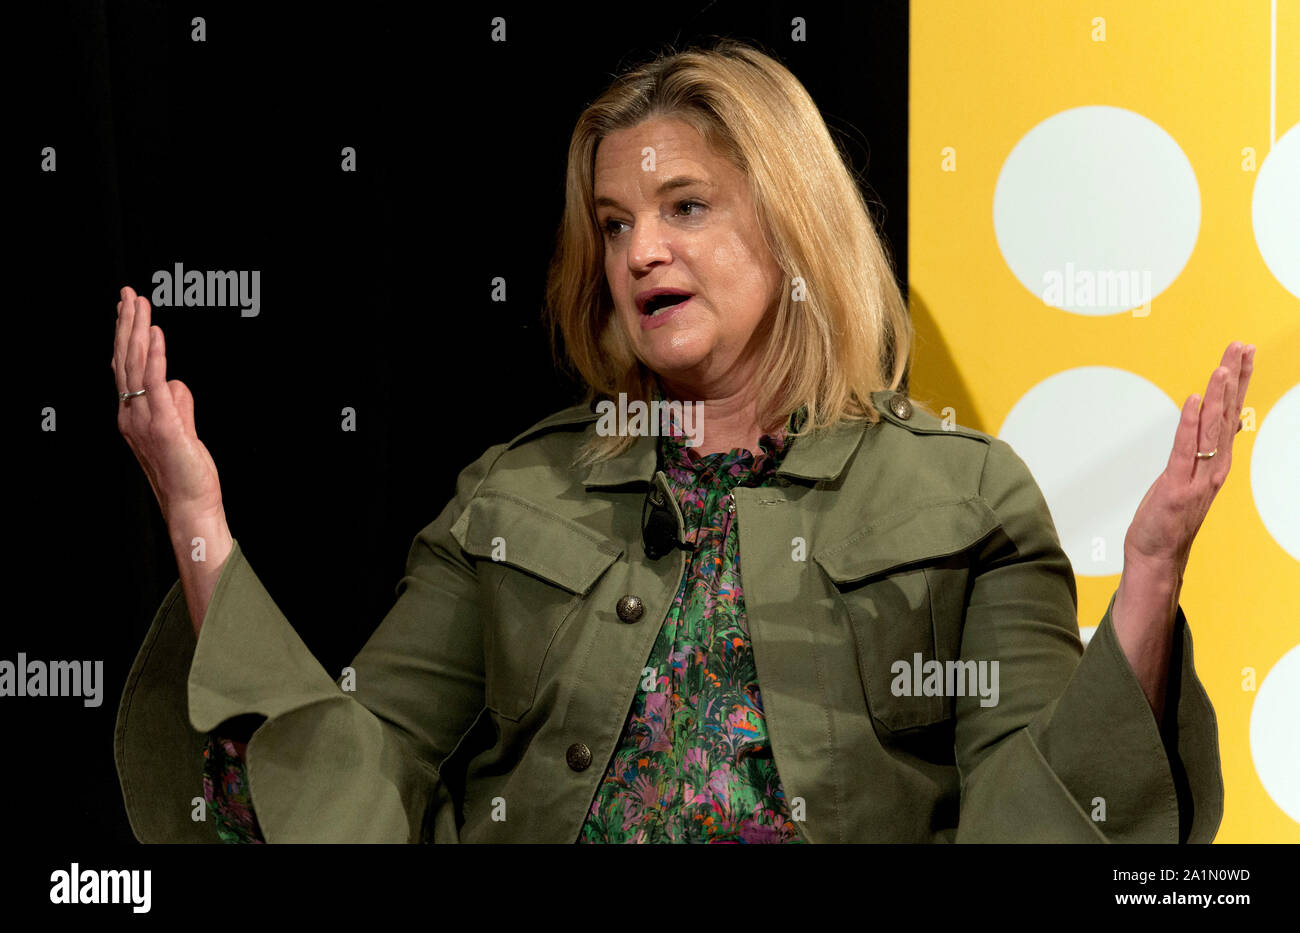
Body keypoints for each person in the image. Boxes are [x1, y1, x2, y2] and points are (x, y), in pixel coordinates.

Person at [112, 39, 1251, 843]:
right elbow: (361, 772)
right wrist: (197, 520)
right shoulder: (518, 494)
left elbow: (1041, 812)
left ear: (790, 219)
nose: (640, 251)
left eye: (684, 207)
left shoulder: (964, 498)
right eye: (614, 224)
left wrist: (1149, 576)